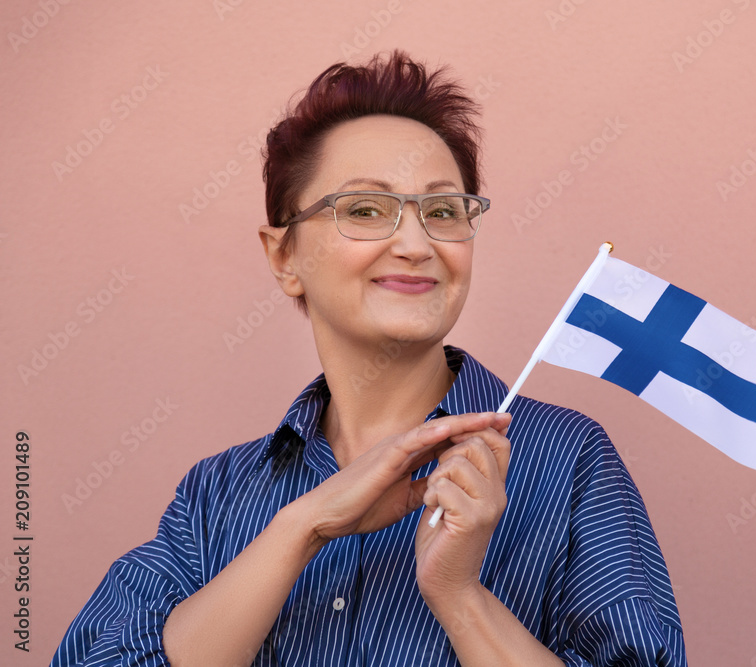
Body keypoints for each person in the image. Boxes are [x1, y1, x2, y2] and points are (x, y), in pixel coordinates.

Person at [51, 51, 687, 666]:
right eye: (364, 210)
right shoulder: (217, 495)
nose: (415, 243)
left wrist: (460, 599)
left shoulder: (567, 460)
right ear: (284, 258)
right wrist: (303, 528)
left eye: (442, 211)